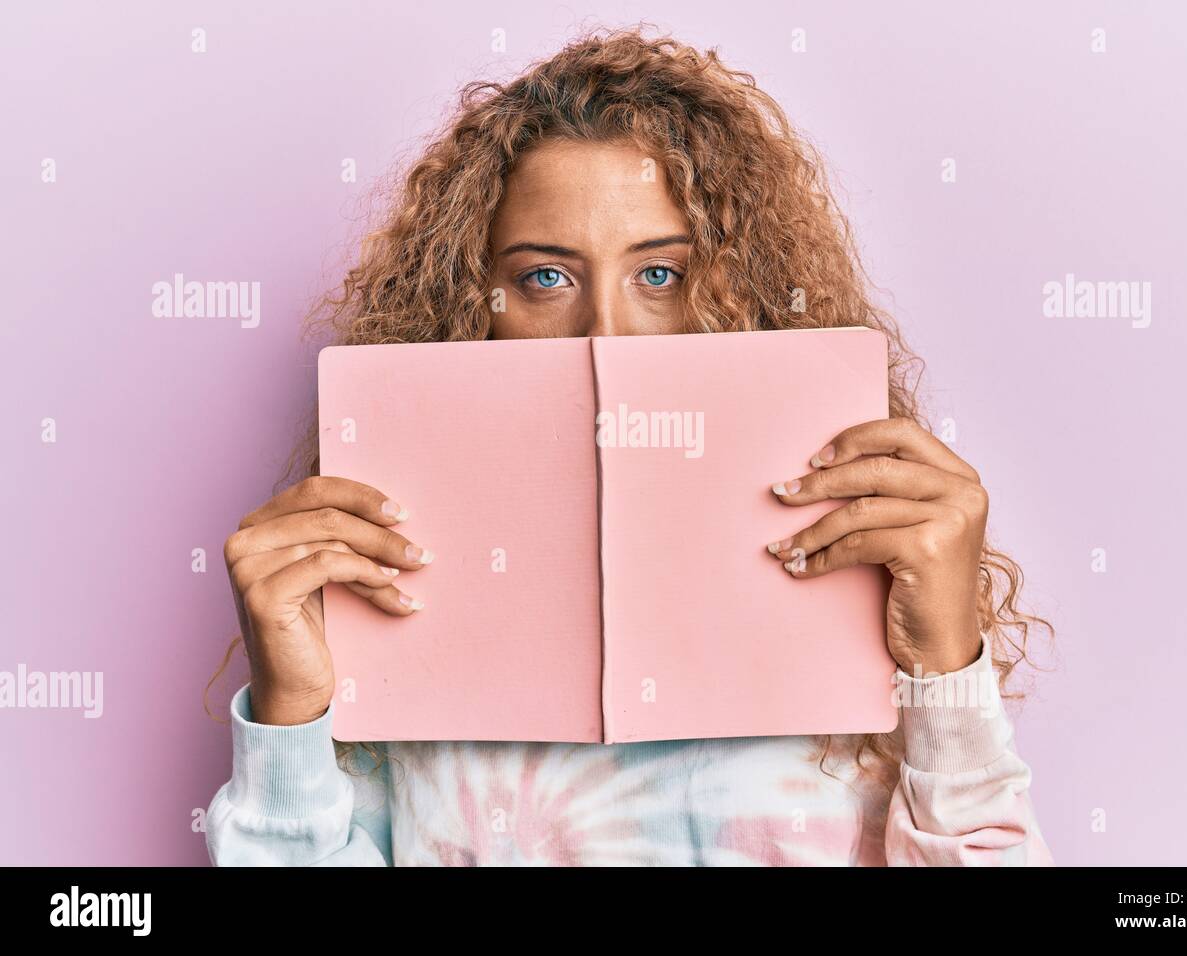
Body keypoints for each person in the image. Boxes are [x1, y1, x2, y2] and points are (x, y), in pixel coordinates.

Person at [205, 29, 1054, 866]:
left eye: (660, 274)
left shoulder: (867, 570)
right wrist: (292, 714)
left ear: (743, 292)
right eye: (545, 277)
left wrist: (944, 670)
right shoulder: (386, 596)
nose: (607, 335)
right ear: (471, 303)